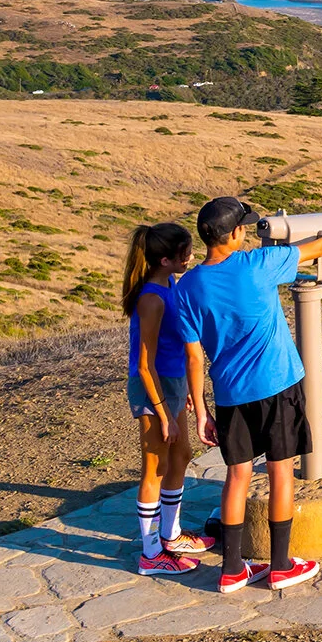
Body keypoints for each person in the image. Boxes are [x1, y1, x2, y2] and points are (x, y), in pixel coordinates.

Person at [175, 196, 322, 595]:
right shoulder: (259, 265)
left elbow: (193, 357)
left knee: (237, 476)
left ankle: (230, 571)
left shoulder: (186, 287)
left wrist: (201, 412)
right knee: (280, 471)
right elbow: (317, 248)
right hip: (277, 384)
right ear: (237, 233)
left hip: (229, 393)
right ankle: (279, 566)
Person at [123, 222, 215, 574]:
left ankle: (171, 534)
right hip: (154, 388)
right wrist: (162, 413)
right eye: (185, 253)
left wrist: (184, 396)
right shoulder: (151, 299)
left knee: (183, 454)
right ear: (165, 260)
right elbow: (145, 365)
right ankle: (150, 554)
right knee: (155, 467)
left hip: (172, 383)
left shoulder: (171, 283)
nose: (190, 257)